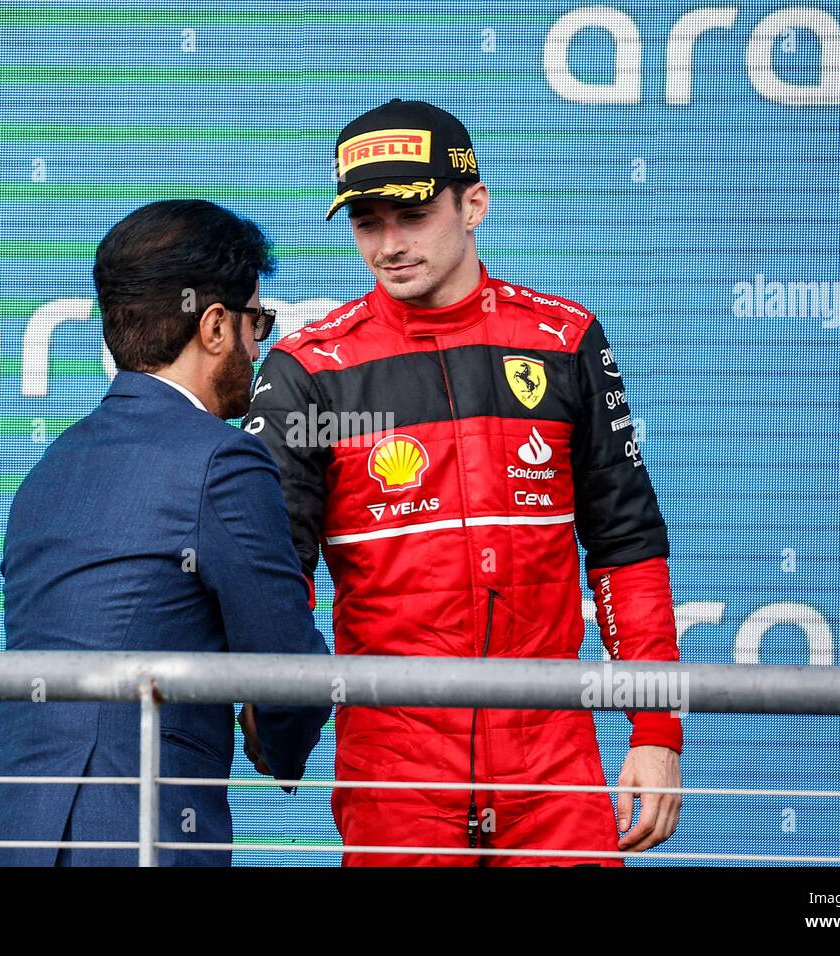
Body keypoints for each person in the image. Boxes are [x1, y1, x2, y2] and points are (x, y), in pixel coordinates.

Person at [243, 99, 682, 865]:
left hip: (553, 760)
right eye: (366, 221)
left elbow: (625, 547)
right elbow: (278, 574)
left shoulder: (564, 340)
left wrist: (655, 732)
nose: (388, 245)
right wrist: (276, 720)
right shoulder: (310, 369)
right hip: (395, 763)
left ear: (474, 202)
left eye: (410, 215)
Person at [0, 199, 332, 866]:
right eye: (259, 322)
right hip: (135, 837)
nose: (259, 348)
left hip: (8, 836)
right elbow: (286, 666)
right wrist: (277, 740)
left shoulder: (51, 468)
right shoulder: (221, 460)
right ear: (215, 326)